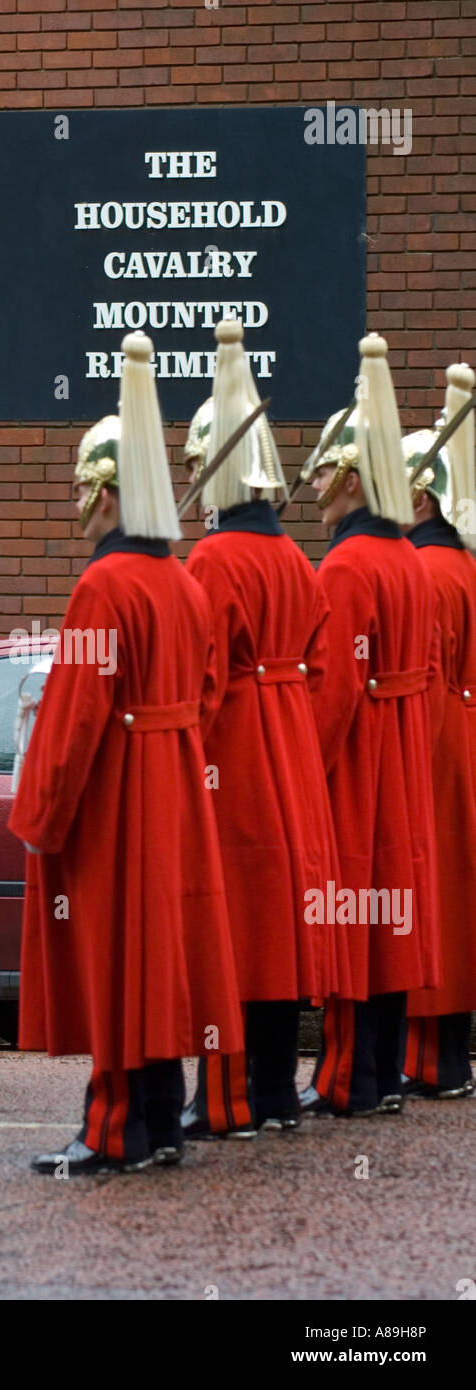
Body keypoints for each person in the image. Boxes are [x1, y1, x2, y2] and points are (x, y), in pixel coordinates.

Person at [9, 330, 243, 1176]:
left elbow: (74, 716)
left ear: (105, 490)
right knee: (161, 960)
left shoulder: (103, 584)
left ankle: (113, 1129)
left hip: (120, 794)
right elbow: (211, 689)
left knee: (118, 961)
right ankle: (158, 1122)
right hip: (174, 779)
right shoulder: (182, 581)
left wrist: (41, 813)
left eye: (81, 484)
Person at [180, 319, 351, 1140]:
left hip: (237, 749)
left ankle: (225, 1096)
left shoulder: (212, 561)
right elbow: (322, 672)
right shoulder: (296, 559)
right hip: (285, 745)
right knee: (279, 924)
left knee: (231, 923)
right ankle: (276, 1092)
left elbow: (205, 679)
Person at [299, 332, 441, 1117]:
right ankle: (383, 1075)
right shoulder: (410, 560)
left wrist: (306, 769)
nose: (312, 484)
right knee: (387, 919)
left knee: (353, 917)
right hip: (403, 752)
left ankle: (347, 1076)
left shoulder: (349, 564)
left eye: (321, 471)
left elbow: (335, 689)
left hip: (360, 761)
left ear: (349, 477)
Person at [401, 363, 476, 1099]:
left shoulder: (423, 572)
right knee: (456, 903)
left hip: (431, 743)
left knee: (428, 902)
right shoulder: (463, 564)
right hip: (464, 740)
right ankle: (448, 1059)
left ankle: (425, 1059)